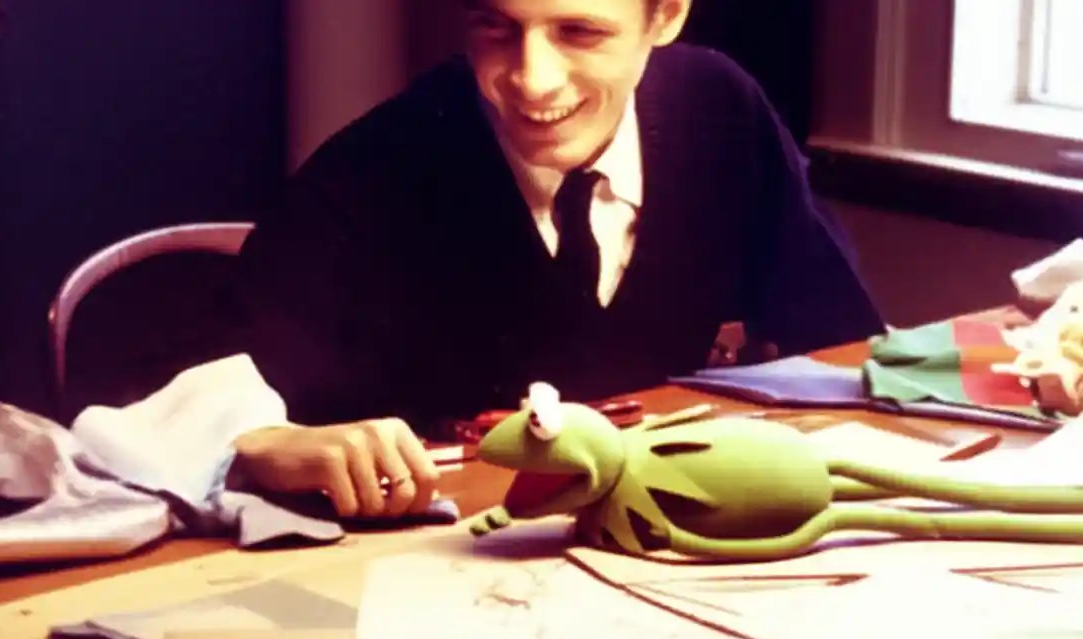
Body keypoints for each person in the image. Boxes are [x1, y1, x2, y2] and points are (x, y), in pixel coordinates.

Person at [223, 0, 886, 521]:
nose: (532, 82)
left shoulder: (721, 109)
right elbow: (193, 405)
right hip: (448, 565)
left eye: (580, 31)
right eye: (497, 27)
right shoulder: (368, 172)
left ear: (666, 16)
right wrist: (259, 442)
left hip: (675, 531)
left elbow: (840, 343)